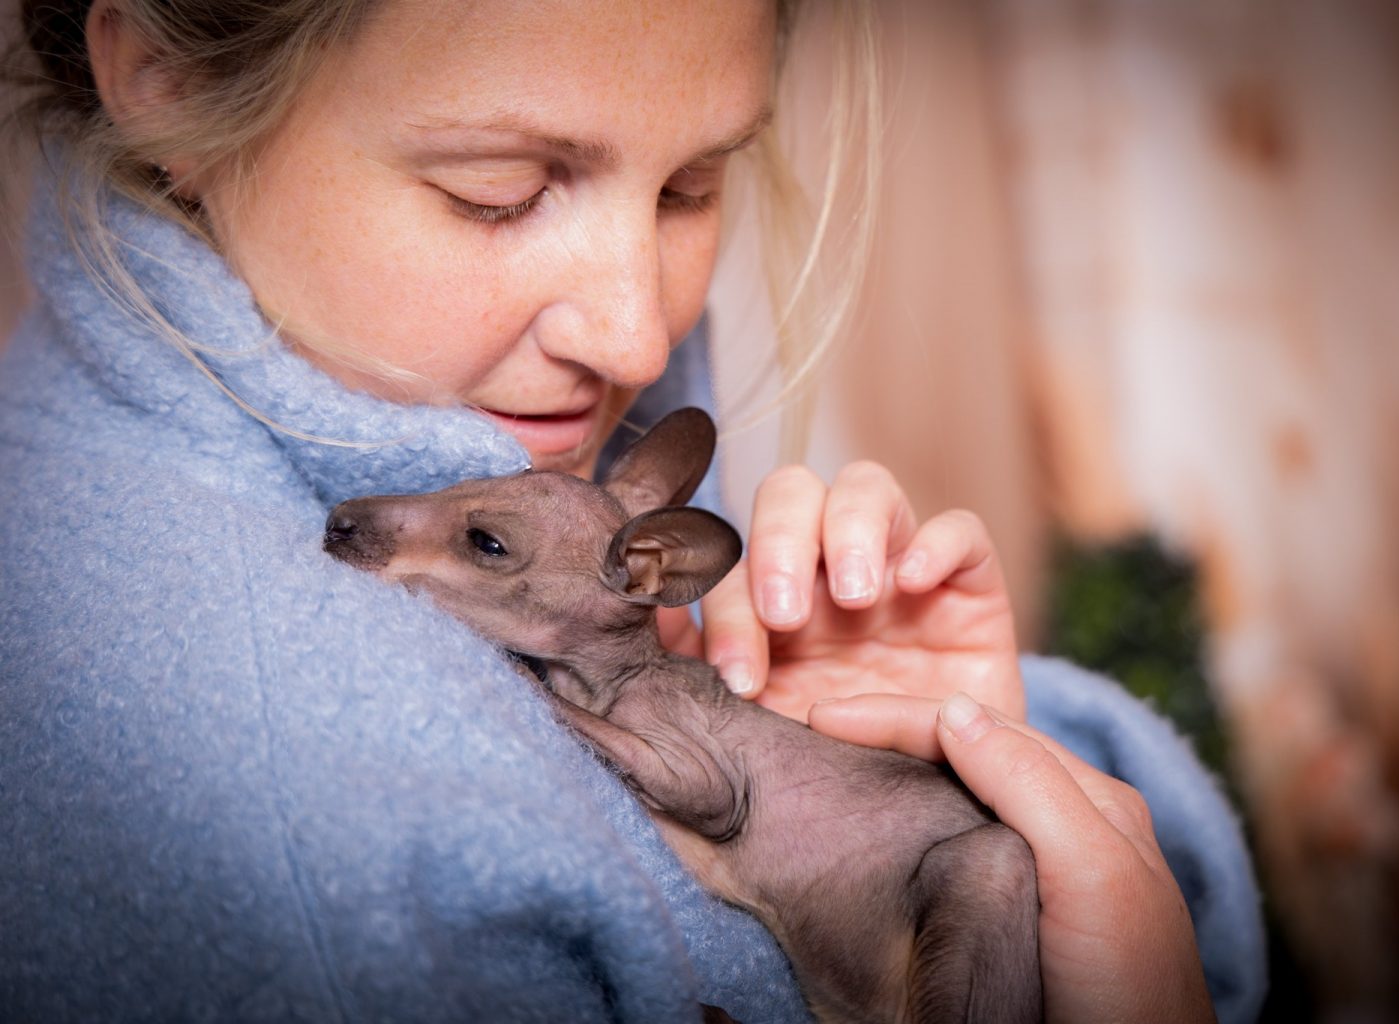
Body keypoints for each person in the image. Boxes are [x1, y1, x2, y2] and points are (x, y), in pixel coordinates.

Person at [0, 1, 1265, 1021]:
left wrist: (984, 774)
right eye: (498, 189)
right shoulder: (330, 848)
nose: (637, 331)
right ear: (163, 73)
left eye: (691, 188)